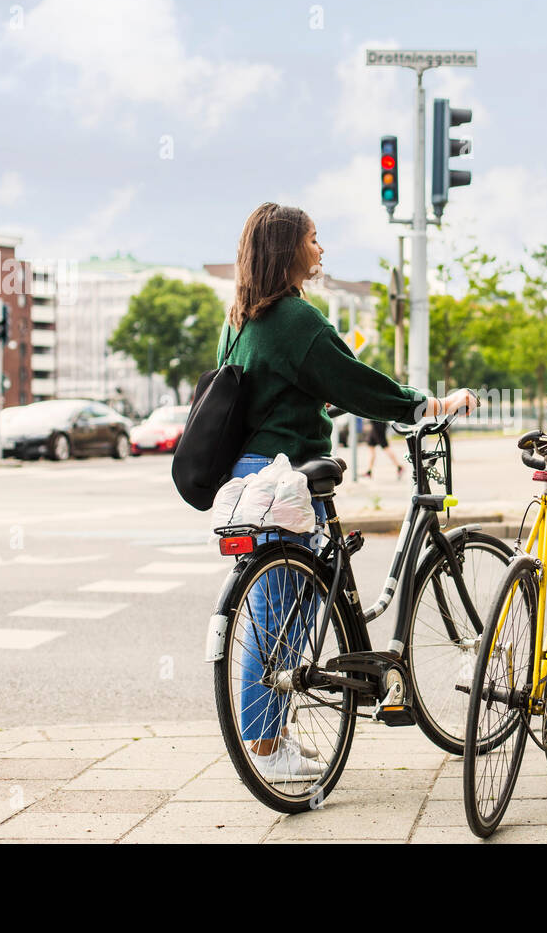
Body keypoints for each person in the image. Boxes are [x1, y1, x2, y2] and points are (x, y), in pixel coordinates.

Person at [216, 202, 476, 781]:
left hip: (249, 474)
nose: (321, 248)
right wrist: (426, 406)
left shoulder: (240, 318)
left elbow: (273, 389)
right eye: (313, 239)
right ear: (288, 251)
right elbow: (355, 382)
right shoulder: (294, 320)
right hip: (286, 477)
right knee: (279, 613)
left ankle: (274, 731)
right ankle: (263, 745)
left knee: (285, 607)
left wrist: (317, 396)